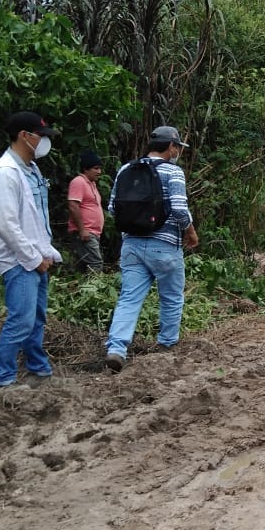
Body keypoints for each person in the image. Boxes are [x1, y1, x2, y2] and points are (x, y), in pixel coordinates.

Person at [104, 125, 199, 372]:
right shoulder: (173, 172)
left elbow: (113, 208)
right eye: (178, 147)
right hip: (164, 246)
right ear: (171, 146)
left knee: (129, 298)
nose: (178, 151)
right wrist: (190, 231)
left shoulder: (126, 169)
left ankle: (116, 349)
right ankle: (166, 345)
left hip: (132, 246)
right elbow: (179, 209)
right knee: (171, 296)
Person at [0, 110, 64, 388]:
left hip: (37, 257)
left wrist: (45, 253)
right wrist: (32, 258)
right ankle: (3, 380)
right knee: (20, 321)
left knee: (35, 320)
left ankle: (39, 371)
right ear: (24, 136)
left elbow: (35, 216)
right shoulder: (4, 174)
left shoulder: (30, 169)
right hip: (19, 261)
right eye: (40, 136)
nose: (44, 141)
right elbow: (6, 225)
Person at [67, 150, 105, 273]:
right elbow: (73, 206)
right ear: (85, 169)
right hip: (85, 232)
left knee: (84, 265)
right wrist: (82, 229)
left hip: (92, 233)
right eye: (96, 168)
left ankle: (82, 290)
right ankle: (92, 291)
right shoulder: (79, 182)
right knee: (95, 263)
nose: (99, 172)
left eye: (100, 168)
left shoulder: (91, 184)